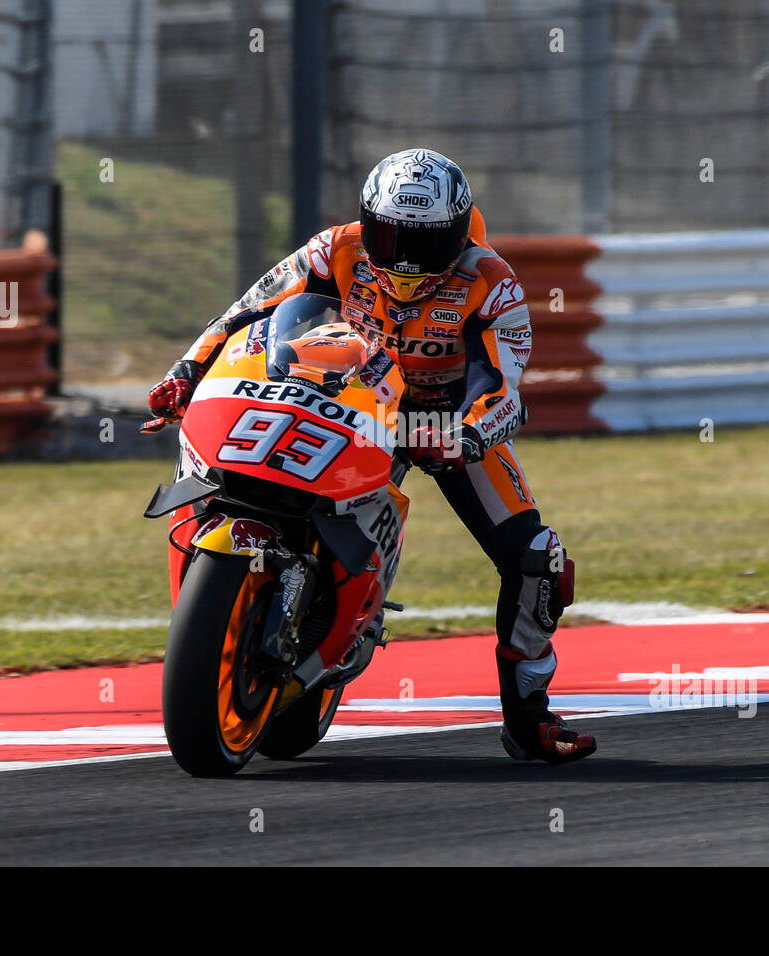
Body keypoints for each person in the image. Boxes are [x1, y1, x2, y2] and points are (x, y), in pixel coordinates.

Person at [148, 148, 595, 764]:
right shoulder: (335, 248)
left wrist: (465, 433)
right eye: (391, 238)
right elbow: (250, 310)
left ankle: (528, 719)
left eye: (428, 244)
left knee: (538, 561)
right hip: (342, 393)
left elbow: (500, 387)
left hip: (434, 421)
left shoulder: (493, 282)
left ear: (460, 232)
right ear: (366, 223)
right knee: (226, 462)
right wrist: (186, 369)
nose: (407, 261)